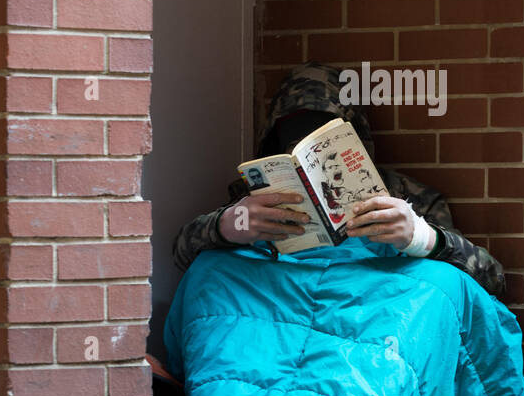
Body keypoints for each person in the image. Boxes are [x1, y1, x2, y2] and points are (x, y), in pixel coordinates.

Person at [172, 61, 505, 299]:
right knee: (210, 272)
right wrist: (230, 224)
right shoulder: (254, 195)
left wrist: (420, 237)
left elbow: (490, 280)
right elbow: (182, 256)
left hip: (370, 312)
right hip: (280, 307)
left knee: (439, 281)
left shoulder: (409, 196)